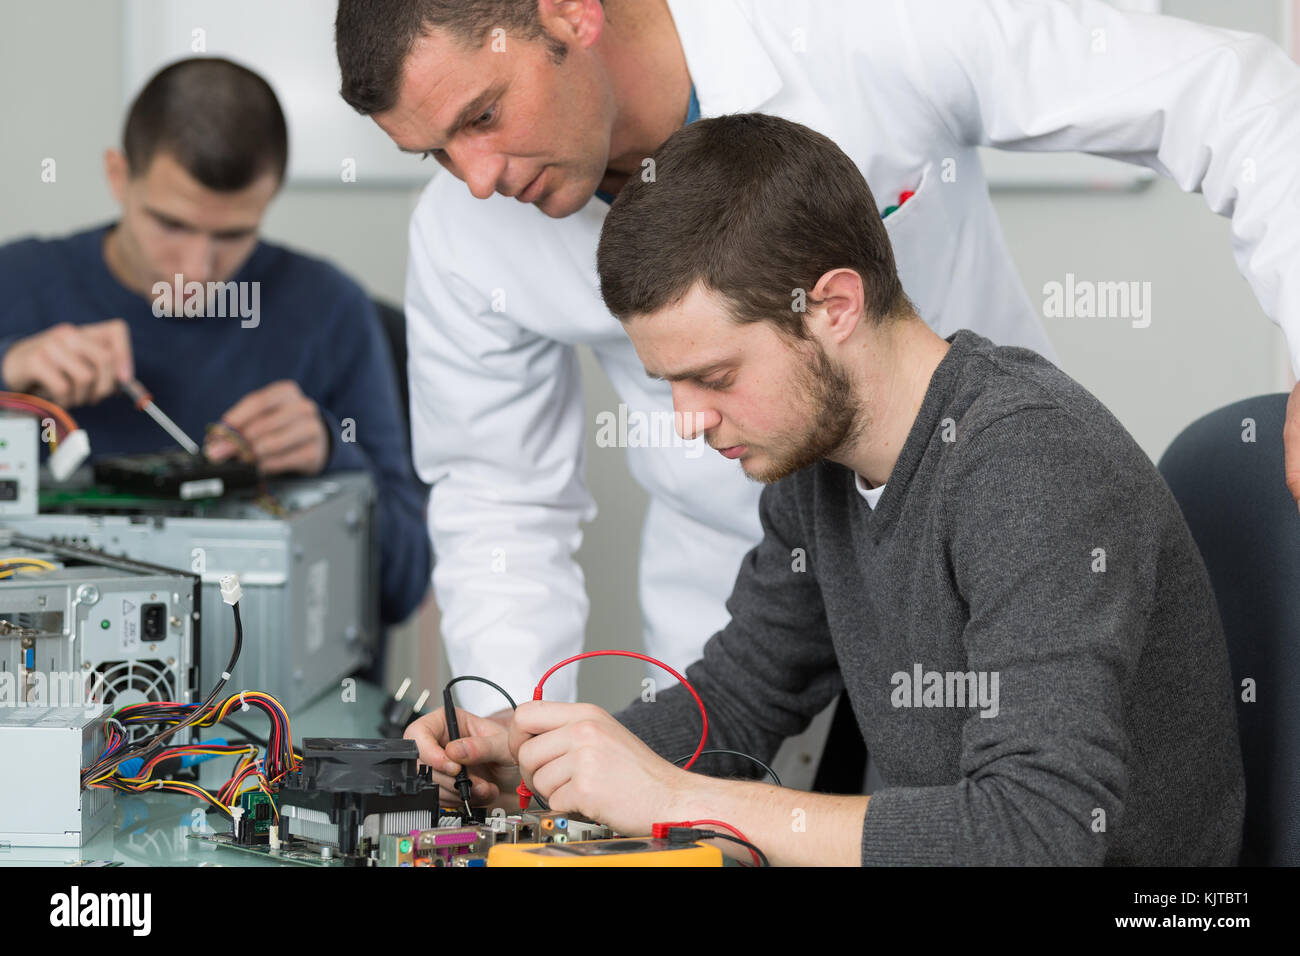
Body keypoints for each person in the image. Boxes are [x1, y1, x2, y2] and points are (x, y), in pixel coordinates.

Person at [335, 0, 1300, 720]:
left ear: (568, 14)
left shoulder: (851, 26)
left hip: (986, 559)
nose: (477, 179)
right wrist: (513, 726)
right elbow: (500, 501)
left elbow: (1226, 93)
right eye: (436, 154)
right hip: (746, 619)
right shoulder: (467, 239)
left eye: (483, 116)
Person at [403, 113, 1246, 866]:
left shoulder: (1031, 463)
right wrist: (532, 756)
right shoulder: (820, 467)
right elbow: (735, 702)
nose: (687, 421)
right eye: (669, 384)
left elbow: (1037, 832)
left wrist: (669, 801)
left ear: (834, 306)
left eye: (714, 376)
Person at [0, 57, 431, 627]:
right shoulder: (17, 284)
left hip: (271, 699)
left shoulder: (331, 312)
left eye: (233, 235)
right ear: (117, 175)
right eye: (172, 225)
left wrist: (333, 456)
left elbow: (404, 585)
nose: (197, 270)